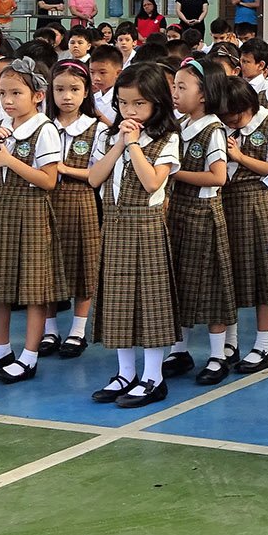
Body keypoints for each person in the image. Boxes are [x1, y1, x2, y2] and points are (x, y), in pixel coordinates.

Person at [0, 60, 62, 385]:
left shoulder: (44, 130)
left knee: (32, 288)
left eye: (16, 93)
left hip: (31, 211)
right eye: (3, 92)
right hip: (2, 209)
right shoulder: (5, 125)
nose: (7, 100)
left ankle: (29, 355)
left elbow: (48, 181)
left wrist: (10, 159)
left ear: (37, 95)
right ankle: (0, 348)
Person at [88, 62, 181, 408]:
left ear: (157, 102)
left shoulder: (167, 138)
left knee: (150, 303)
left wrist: (136, 145)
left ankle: (153, 376)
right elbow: (94, 178)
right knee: (118, 301)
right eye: (124, 103)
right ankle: (125, 372)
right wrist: (119, 143)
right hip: (113, 224)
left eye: (139, 104)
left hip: (146, 227)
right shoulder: (107, 135)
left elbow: (152, 181)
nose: (130, 110)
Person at [164, 58, 237, 384]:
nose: (175, 93)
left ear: (204, 94)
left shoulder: (213, 130)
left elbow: (218, 176)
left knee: (211, 285)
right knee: (179, 281)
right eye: (174, 86)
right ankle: (179, 349)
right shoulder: (179, 126)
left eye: (182, 87)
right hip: (178, 211)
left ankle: (217, 355)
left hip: (204, 214)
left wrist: (176, 173)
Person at [220, 76, 268, 374]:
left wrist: (240, 157)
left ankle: (263, 344)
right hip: (226, 200)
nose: (229, 121)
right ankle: (230, 342)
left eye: (234, 116)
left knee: (264, 275)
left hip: (258, 202)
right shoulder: (219, 123)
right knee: (228, 273)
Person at [47, 60, 101, 359]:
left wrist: (65, 169)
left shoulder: (96, 129)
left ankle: (78, 330)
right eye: (60, 89)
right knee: (47, 267)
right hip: (48, 202)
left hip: (81, 202)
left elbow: (98, 173)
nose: (66, 96)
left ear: (86, 92)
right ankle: (49, 328)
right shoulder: (44, 127)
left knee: (83, 266)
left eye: (74, 89)